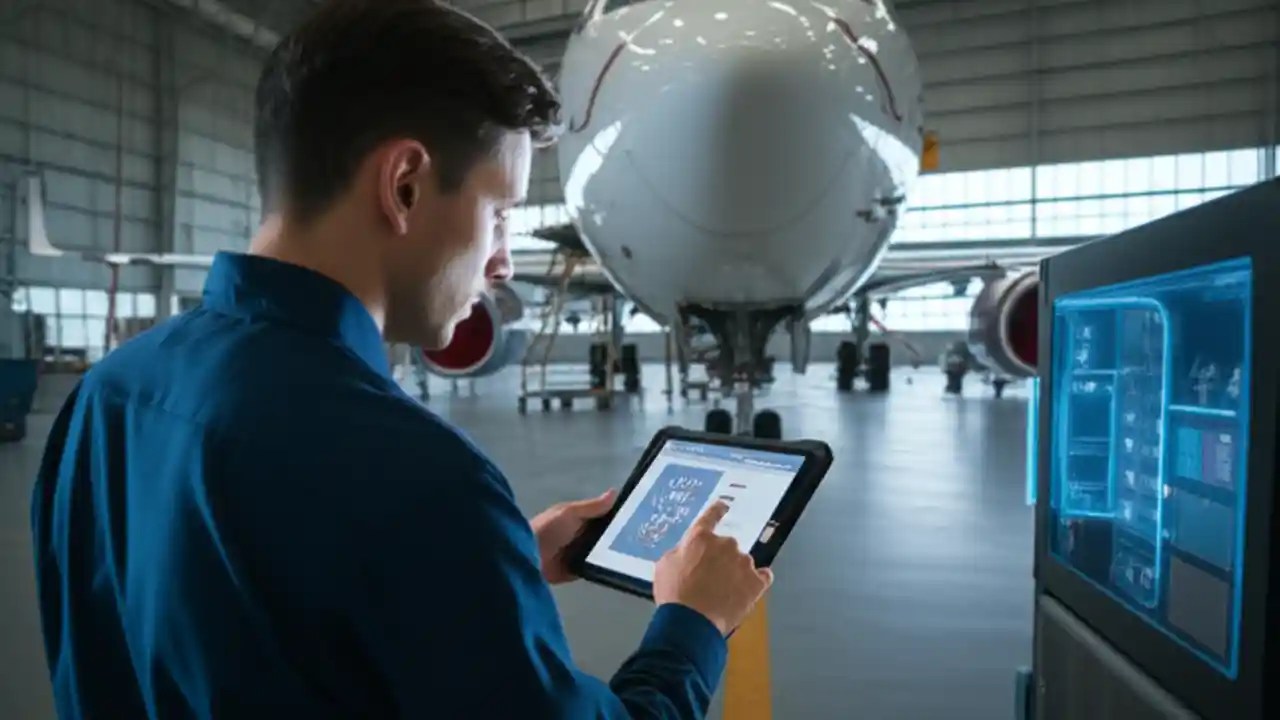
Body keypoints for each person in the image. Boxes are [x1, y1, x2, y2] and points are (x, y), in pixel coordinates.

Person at [29, 0, 773, 717]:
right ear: (405, 186)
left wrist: (485, 563)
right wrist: (693, 626)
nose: (504, 261)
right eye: (500, 212)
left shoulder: (108, 396)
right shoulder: (419, 479)